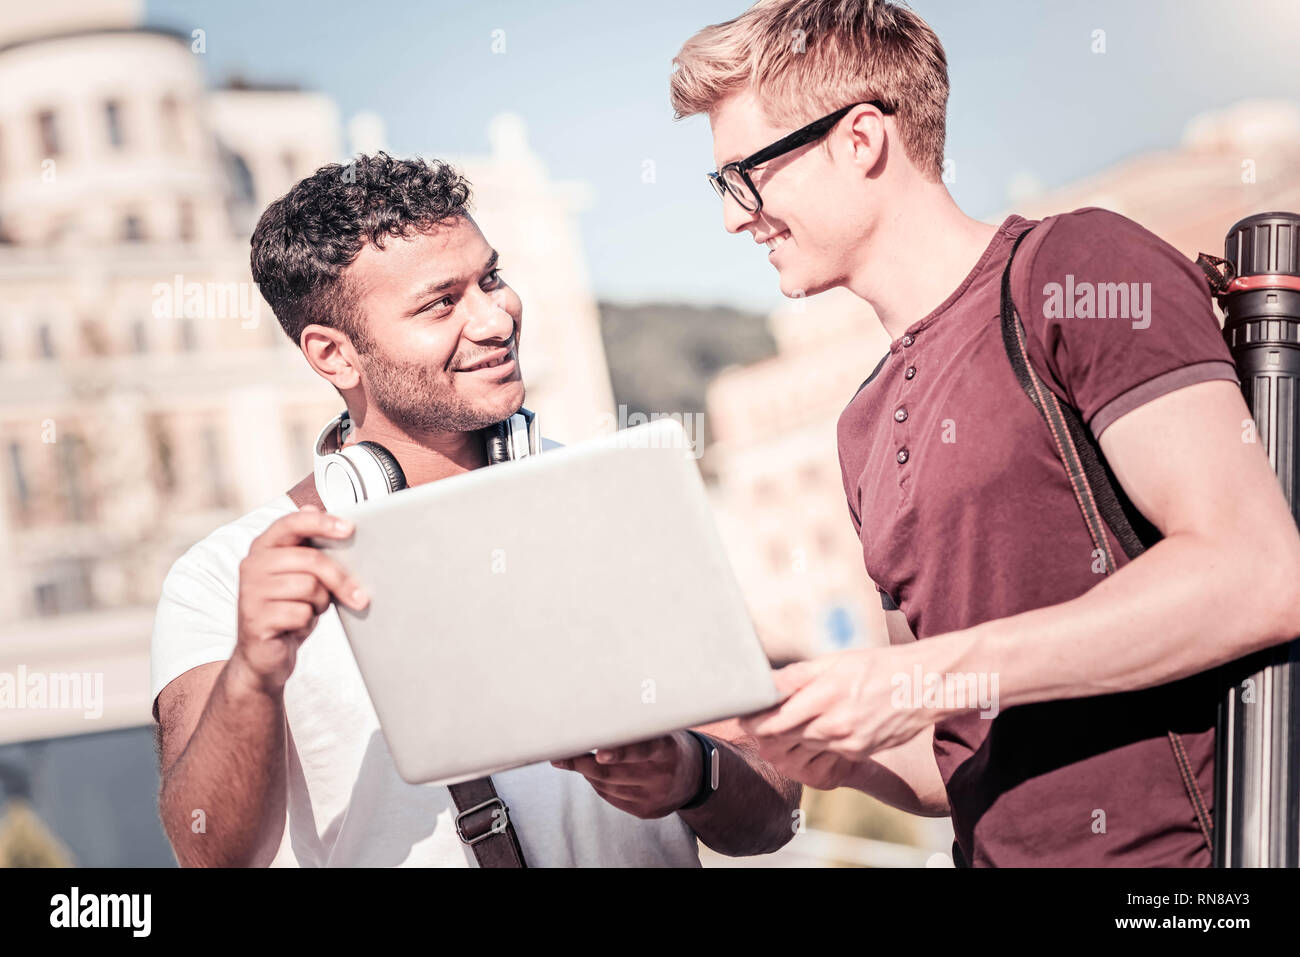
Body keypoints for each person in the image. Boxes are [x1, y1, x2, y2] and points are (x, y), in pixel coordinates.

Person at [670, 0, 1300, 866]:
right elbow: (946, 757)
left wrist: (914, 678)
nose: (734, 218)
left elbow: (1258, 574)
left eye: (744, 176)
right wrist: (824, 744)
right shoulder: (860, 427)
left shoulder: (1078, 268)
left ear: (860, 140)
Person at [150, 153, 801, 867]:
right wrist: (252, 672)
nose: (496, 317)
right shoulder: (220, 578)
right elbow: (207, 852)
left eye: (490, 277)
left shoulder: (620, 497)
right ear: (334, 355)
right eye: (441, 302)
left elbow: (773, 816)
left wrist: (692, 774)